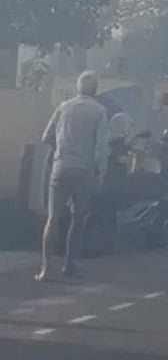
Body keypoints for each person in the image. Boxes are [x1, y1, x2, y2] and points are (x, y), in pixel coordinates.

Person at [37, 72, 109, 281]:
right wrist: (100, 173)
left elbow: (46, 137)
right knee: (77, 219)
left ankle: (45, 268)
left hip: (60, 168)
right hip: (83, 170)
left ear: (77, 88)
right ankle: (69, 263)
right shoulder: (99, 111)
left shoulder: (63, 107)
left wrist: (60, 151)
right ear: (95, 90)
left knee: (52, 218)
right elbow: (101, 147)